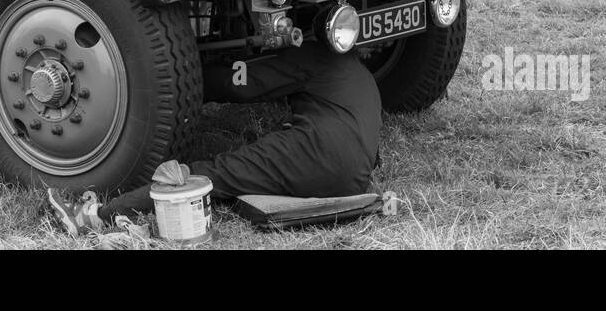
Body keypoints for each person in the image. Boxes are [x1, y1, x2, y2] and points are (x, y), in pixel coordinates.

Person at [47, 41, 382, 235]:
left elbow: (245, 83)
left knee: (211, 175)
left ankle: (94, 216)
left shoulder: (312, 56)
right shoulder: (355, 72)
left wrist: (186, 81)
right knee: (245, 174)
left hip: (321, 156)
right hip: (357, 176)